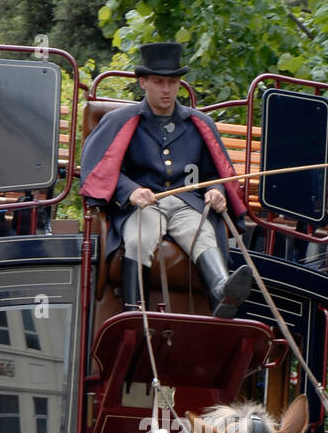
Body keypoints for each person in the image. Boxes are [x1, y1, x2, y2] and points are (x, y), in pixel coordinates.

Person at [80, 42, 252, 317]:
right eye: (159, 82)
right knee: (141, 238)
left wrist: (217, 190)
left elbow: (215, 174)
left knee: (203, 234)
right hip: (143, 207)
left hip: (188, 204)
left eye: (172, 82)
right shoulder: (120, 121)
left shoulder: (199, 123)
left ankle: (221, 292)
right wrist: (130, 191)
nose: (166, 89)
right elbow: (99, 169)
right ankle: (134, 310)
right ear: (143, 82)